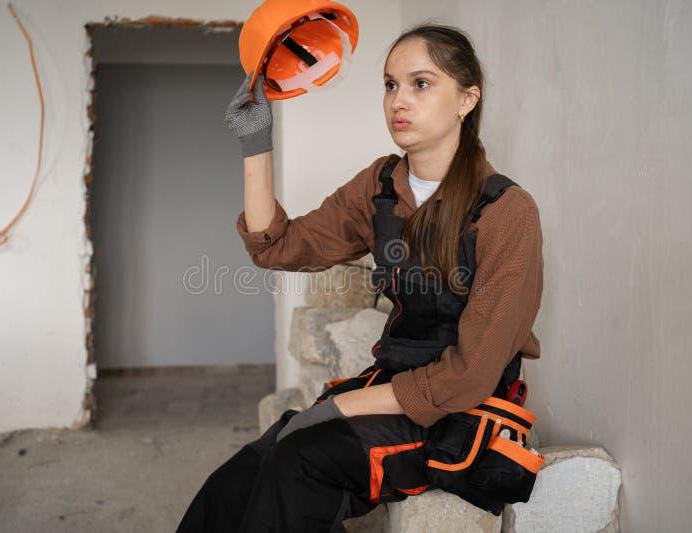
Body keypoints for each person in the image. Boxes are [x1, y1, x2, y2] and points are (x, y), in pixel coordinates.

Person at [177, 23, 543, 533]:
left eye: (421, 83)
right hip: (390, 388)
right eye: (391, 85)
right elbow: (280, 246)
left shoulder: (507, 211)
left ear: (467, 99)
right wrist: (255, 142)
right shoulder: (381, 187)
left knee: (298, 460)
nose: (399, 100)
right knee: (241, 475)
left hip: (462, 413)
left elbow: (470, 375)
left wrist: (340, 406)